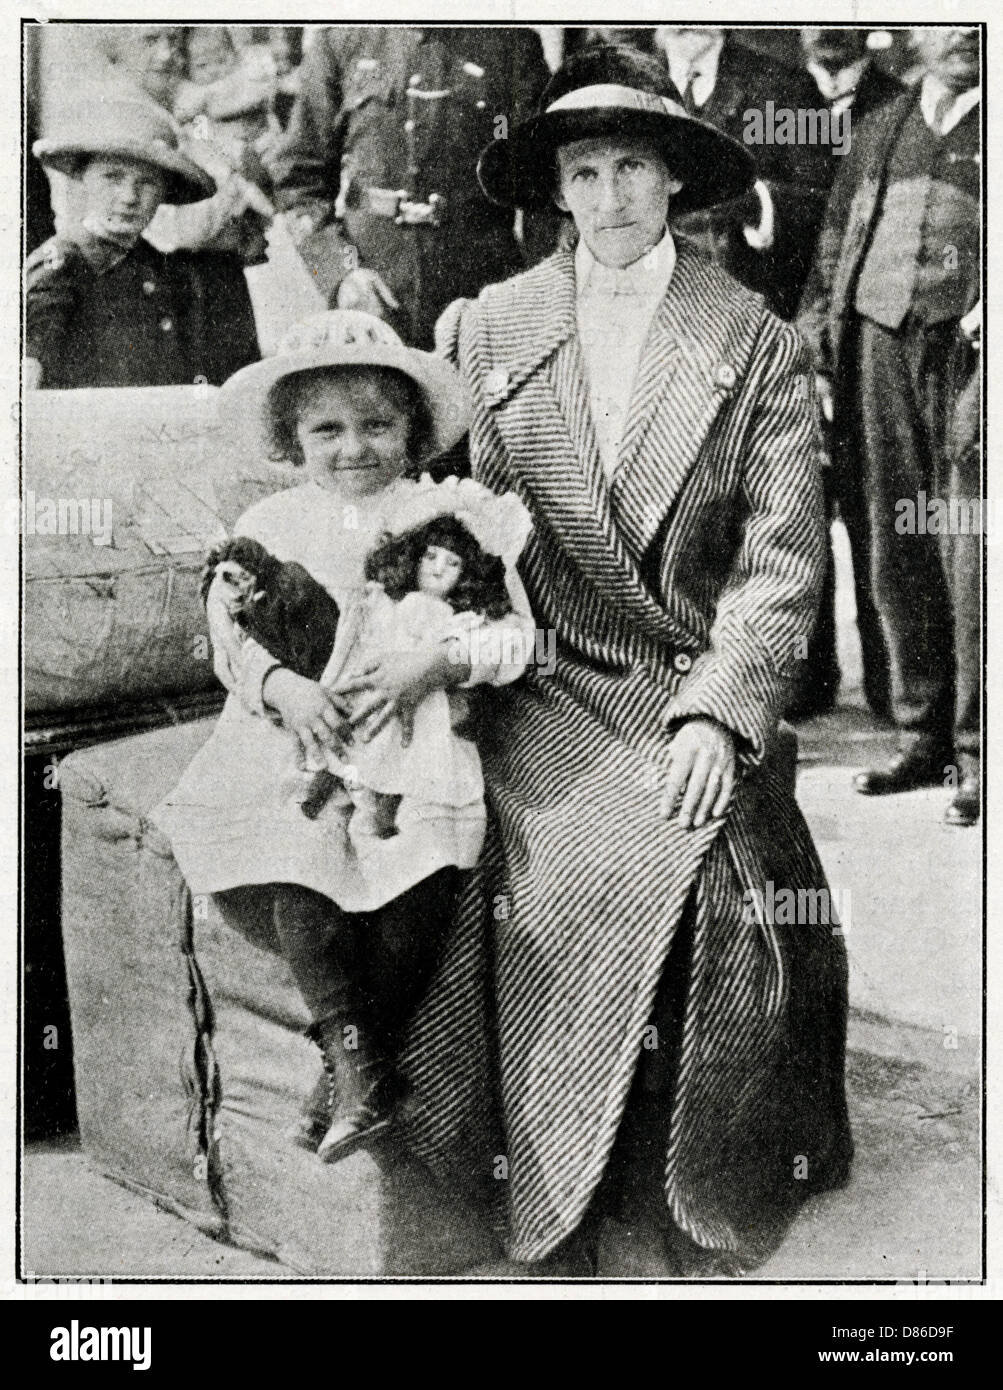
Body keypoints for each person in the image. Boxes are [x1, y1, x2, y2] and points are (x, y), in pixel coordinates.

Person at [381, 43, 852, 1276]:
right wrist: (457, 648)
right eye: (582, 171)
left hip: (682, 678)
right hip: (541, 670)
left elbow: (782, 562)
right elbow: (463, 534)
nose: (607, 198)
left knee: (692, 857)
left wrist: (716, 715)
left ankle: (668, 1178)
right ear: (555, 189)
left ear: (675, 181)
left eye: (632, 165)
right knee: (562, 863)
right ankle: (548, 1190)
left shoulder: (756, 342)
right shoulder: (490, 327)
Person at [151, 310, 536, 1162]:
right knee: (294, 867)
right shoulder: (275, 524)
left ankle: (351, 1075)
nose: (353, 447)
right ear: (292, 439)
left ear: (414, 431)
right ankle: (354, 1053)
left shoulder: (450, 518)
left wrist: (433, 664)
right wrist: (282, 686)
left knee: (419, 878)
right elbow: (229, 637)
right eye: (326, 429)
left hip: (411, 740)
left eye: (377, 425)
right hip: (294, 738)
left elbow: (515, 639)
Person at [798, 26, 981, 825]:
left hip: (969, 357)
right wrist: (813, 344)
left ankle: (981, 749)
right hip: (877, 342)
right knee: (893, 544)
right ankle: (923, 734)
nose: (962, 34)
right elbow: (833, 242)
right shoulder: (881, 124)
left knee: (969, 550)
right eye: (941, 15)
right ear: (909, 33)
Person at [264, 25, 556, 347]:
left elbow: (541, 187)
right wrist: (342, 274)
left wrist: (529, 290)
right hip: (372, 305)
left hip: (483, 301)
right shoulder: (340, 41)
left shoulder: (510, 46)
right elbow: (298, 179)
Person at [791, 27, 903, 720]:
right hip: (788, 312)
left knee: (874, 504)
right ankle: (803, 674)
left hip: (867, 323)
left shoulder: (898, 103)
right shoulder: (770, 93)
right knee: (789, 506)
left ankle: (893, 678)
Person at [26, 99, 259, 388]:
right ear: (83, 178)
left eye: (147, 182)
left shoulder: (163, 269)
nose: (129, 197)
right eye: (113, 177)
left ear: (164, 191)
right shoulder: (60, 264)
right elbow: (30, 376)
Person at [650, 25, 827, 321]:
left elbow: (824, 207)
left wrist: (758, 204)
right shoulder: (620, 87)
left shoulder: (786, 85)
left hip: (750, 326)